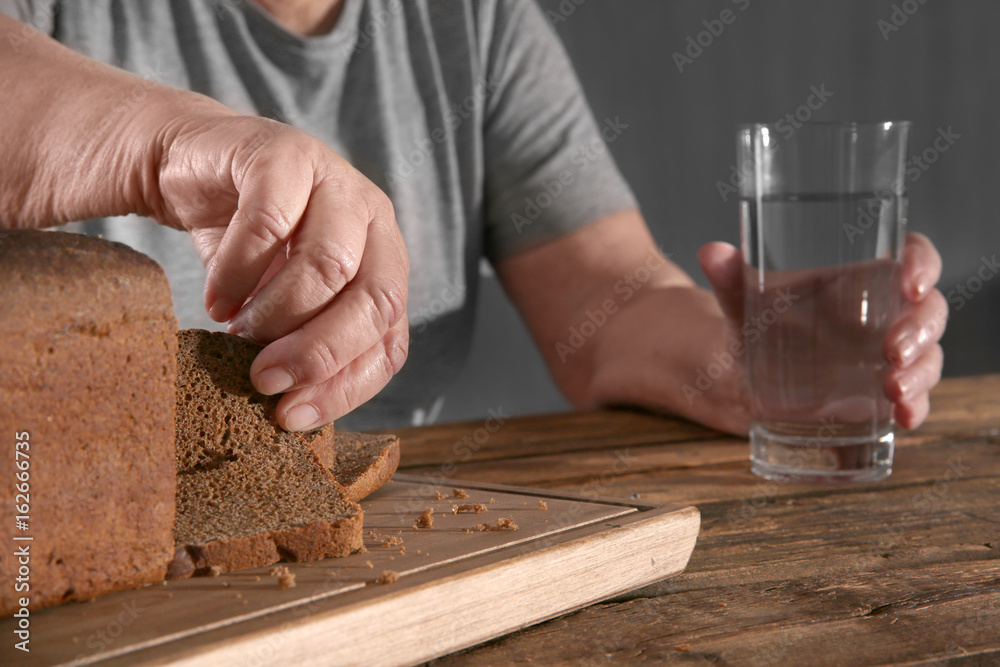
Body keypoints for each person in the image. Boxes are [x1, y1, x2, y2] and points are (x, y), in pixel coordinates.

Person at [0, 0, 947, 435]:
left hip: (385, 567)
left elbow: (607, 303)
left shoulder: (473, 24)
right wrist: (167, 141)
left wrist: (745, 358)